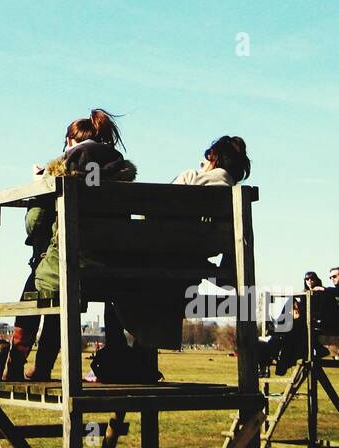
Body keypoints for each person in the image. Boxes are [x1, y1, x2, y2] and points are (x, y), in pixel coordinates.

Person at [95, 135, 253, 383]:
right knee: (156, 296)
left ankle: (119, 359)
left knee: (114, 287)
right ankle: (140, 363)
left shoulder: (192, 177)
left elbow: (152, 213)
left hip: (159, 264)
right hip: (190, 272)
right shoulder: (235, 196)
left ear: (213, 158)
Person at [3, 109, 137, 382]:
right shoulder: (120, 176)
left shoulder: (66, 169)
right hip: (111, 273)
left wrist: (40, 187)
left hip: (72, 267)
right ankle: (41, 366)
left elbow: (35, 224)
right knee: (59, 284)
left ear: (70, 142)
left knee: (42, 282)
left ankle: (17, 363)